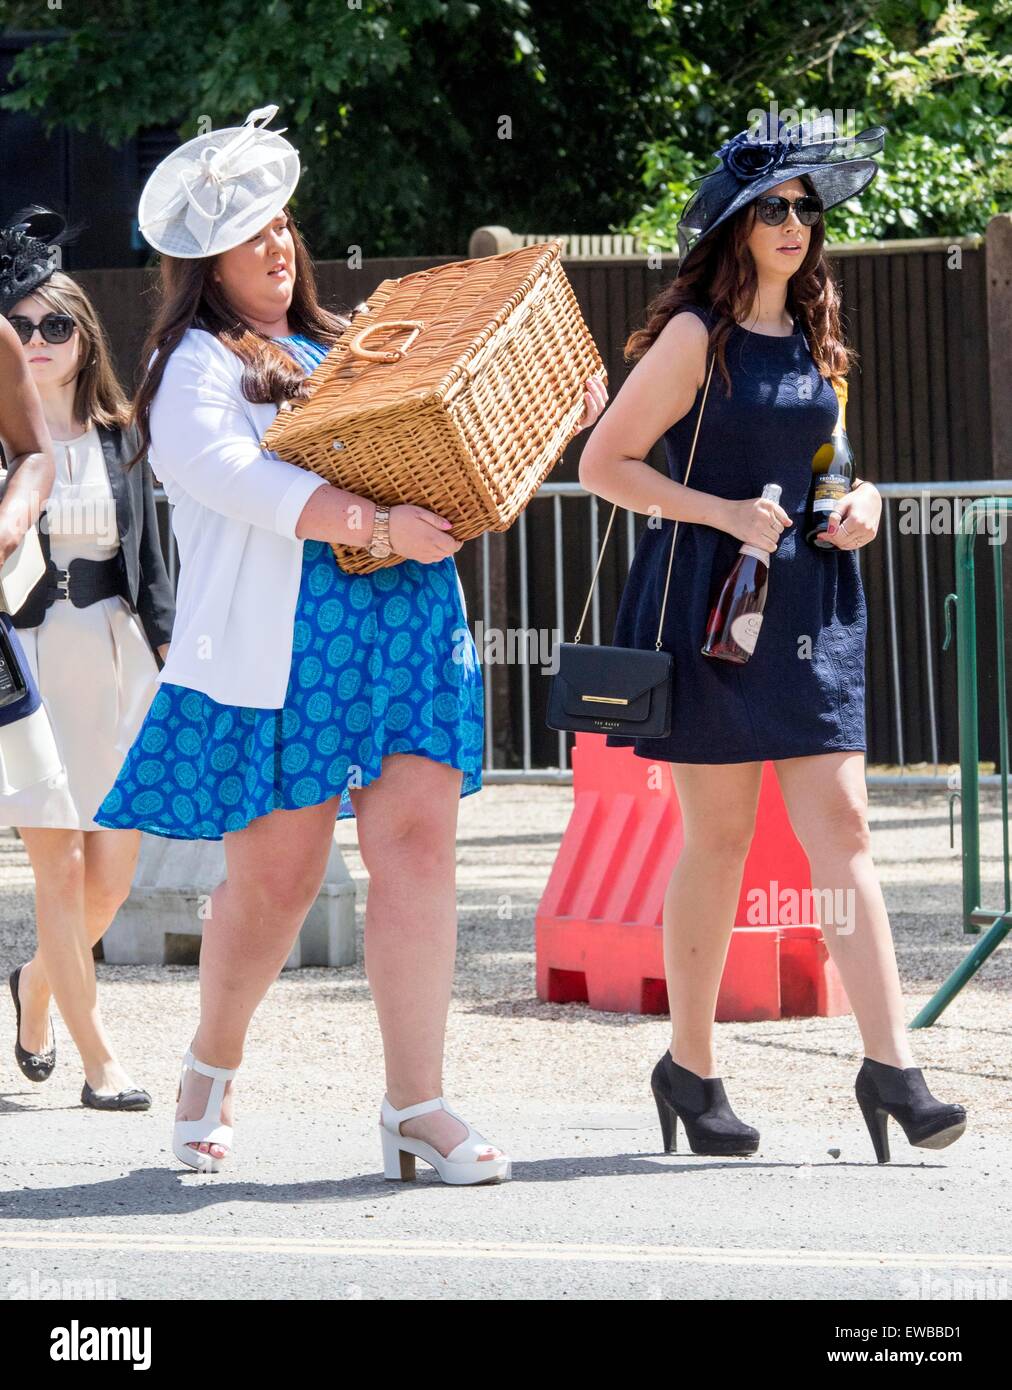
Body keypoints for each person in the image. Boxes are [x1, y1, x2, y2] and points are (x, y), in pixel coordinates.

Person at [93, 106, 607, 1179]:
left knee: (416, 845)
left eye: (282, 225)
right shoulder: (187, 364)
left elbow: (454, 431)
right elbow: (229, 475)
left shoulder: (350, 344)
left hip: (406, 621)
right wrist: (370, 524)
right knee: (275, 882)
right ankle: (211, 1061)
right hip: (286, 650)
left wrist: (556, 398)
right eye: (250, 234)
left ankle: (417, 1104)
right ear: (202, 261)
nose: (276, 246)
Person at [577, 114, 966, 1166]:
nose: (795, 223)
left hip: (813, 599)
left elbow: (838, 467)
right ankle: (692, 1068)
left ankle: (890, 1064)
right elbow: (605, 464)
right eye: (774, 207)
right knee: (720, 839)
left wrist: (870, 504)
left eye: (806, 207)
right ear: (739, 224)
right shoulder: (693, 339)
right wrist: (719, 513)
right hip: (715, 604)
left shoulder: (816, 335)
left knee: (842, 827)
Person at [0, 208, 176, 1110]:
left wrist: (176, 650)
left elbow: (156, 567)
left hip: (115, 663)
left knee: (111, 876)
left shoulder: (123, 436)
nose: (36, 339)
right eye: (20, 324)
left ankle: (35, 988)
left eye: (54, 325)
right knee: (58, 868)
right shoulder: (2, 438)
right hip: (28, 665)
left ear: (82, 338)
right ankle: (99, 1057)